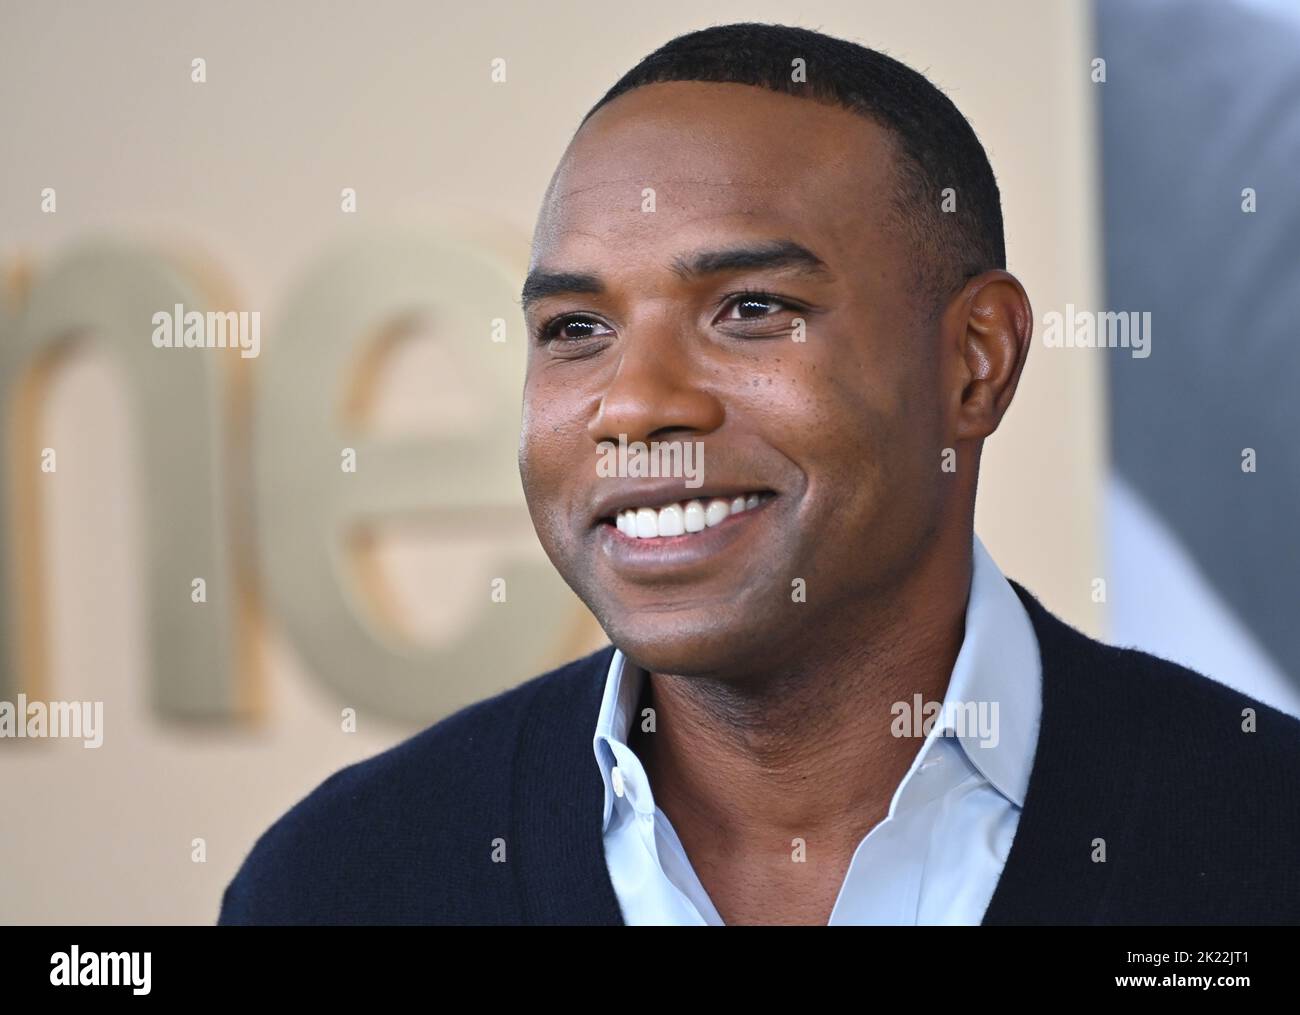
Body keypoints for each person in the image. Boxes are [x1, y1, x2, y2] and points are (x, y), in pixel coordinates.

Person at [219, 22, 1300, 926]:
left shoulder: (1259, 839)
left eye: (750, 310)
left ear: (976, 360)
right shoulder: (345, 882)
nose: (636, 404)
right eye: (576, 327)